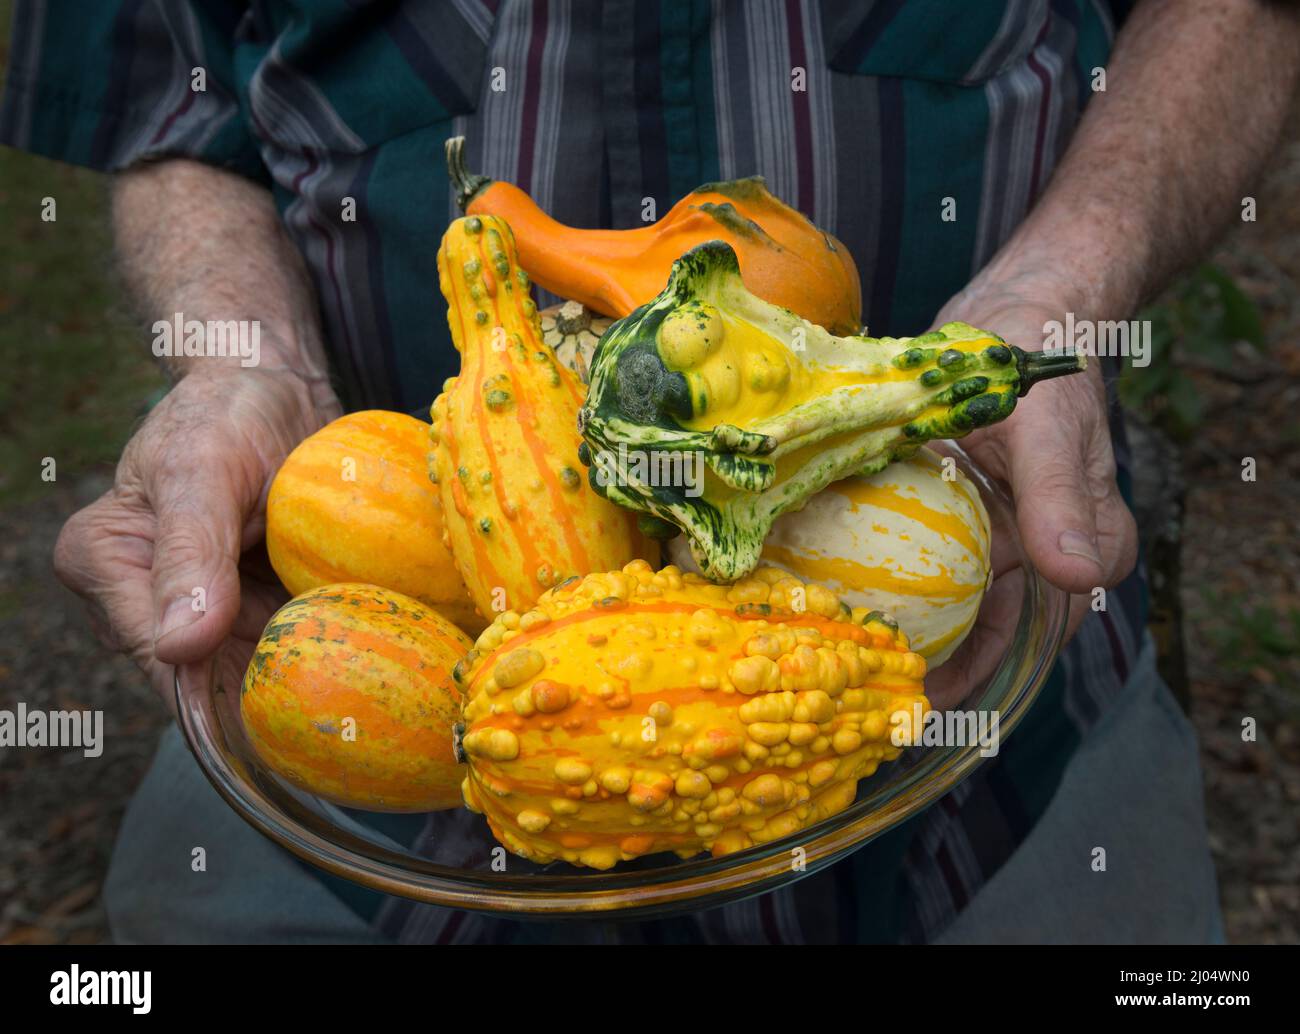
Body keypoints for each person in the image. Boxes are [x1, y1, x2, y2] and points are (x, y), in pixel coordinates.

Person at [4, 0, 1294, 944]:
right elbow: (158, 86)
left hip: (1014, 756)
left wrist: (1059, 294)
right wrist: (245, 362)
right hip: (340, 821)